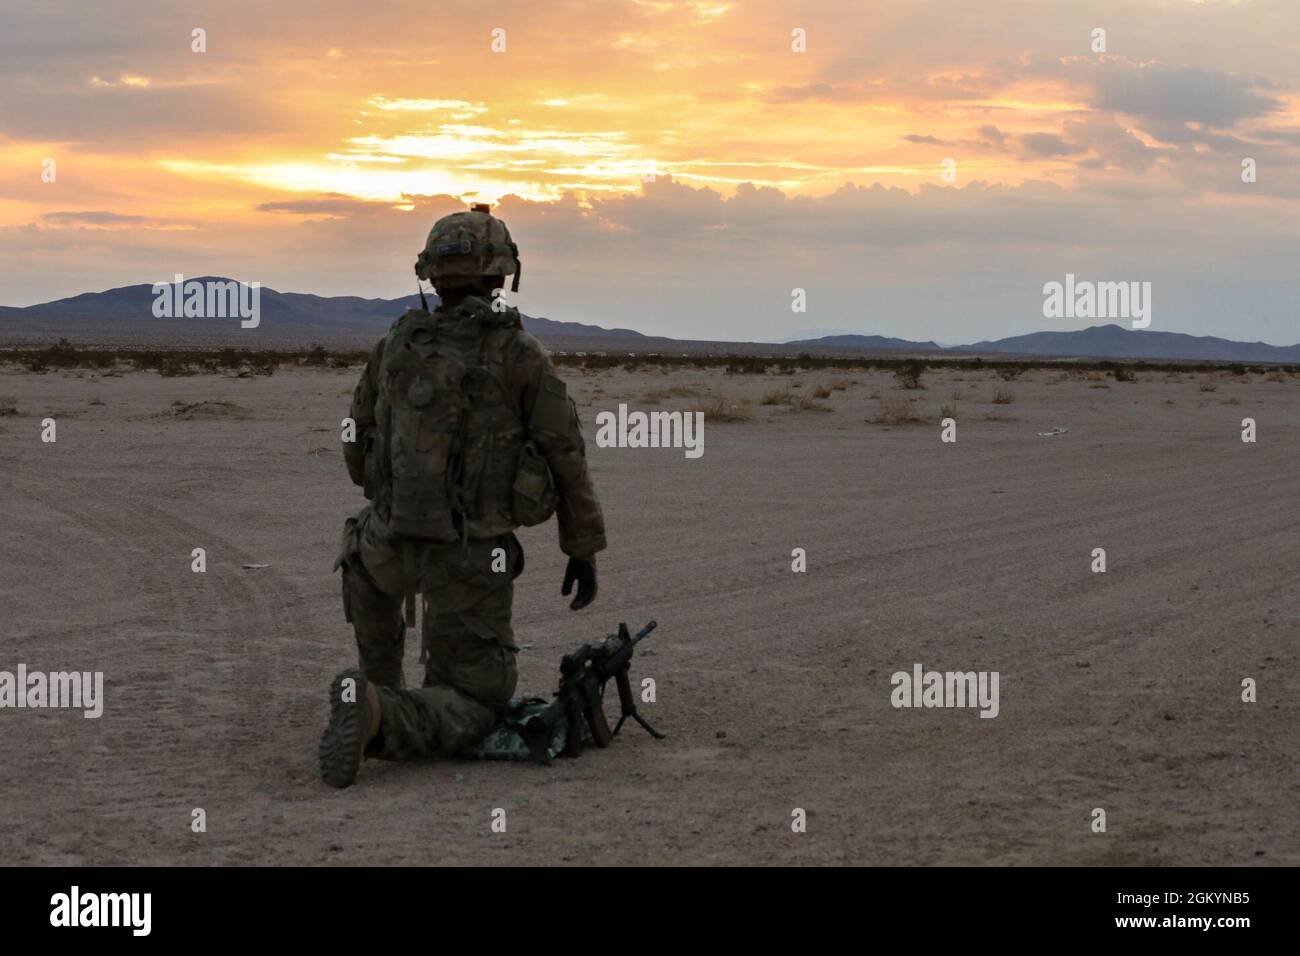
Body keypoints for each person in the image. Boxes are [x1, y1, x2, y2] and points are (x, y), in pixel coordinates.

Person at [319, 203, 606, 787]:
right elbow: (565, 455)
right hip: (470, 554)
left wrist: (385, 495)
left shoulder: (397, 342)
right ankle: (380, 715)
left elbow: (354, 437)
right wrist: (582, 547)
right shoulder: (520, 355)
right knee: (476, 705)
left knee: (374, 591)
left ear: (431, 273)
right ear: (501, 274)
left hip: (380, 547)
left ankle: (374, 692)